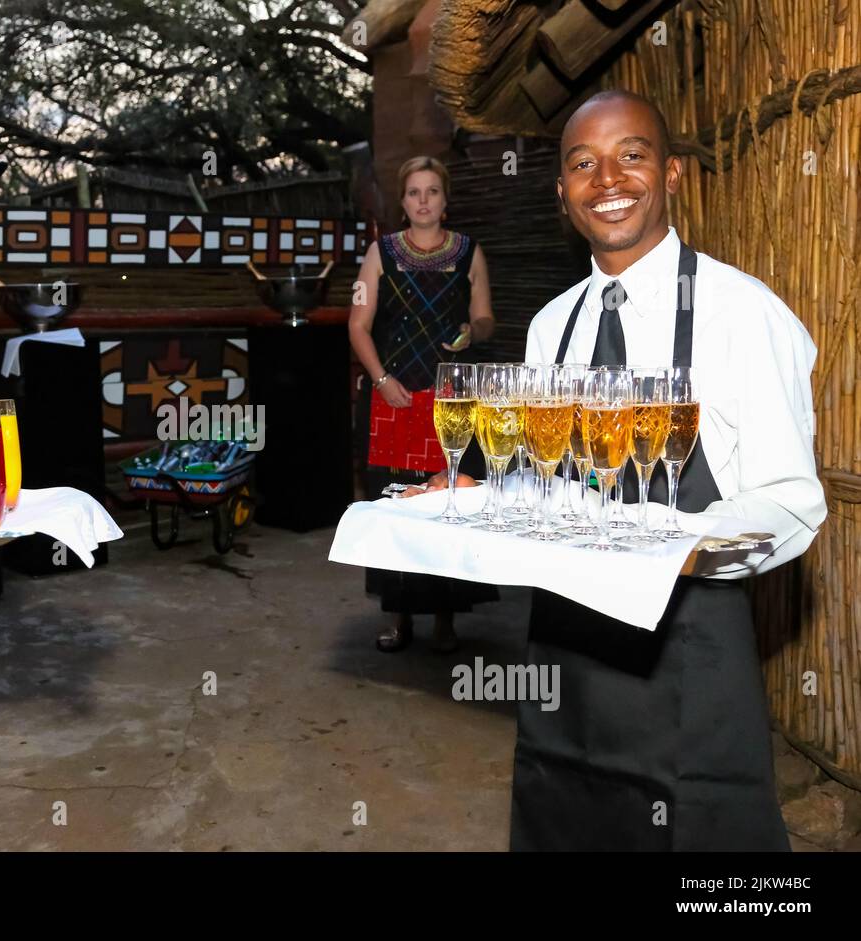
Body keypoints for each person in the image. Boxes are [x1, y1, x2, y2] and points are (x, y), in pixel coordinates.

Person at [511, 90, 825, 850]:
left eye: (632, 155)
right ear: (562, 192)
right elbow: (547, 479)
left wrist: (686, 547)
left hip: (687, 648)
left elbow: (792, 500)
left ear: (674, 173)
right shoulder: (550, 326)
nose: (607, 178)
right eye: (583, 163)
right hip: (567, 654)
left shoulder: (743, 313)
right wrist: (478, 491)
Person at [348, 155, 498, 653]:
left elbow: (486, 321)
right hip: (394, 397)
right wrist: (380, 378)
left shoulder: (470, 253)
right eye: (414, 192)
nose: (424, 201)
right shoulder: (380, 254)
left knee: (449, 504)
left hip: (451, 399)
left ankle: (447, 620)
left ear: (445, 199)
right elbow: (357, 325)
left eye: (432, 191)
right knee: (396, 509)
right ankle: (399, 617)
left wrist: (470, 331)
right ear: (404, 201)